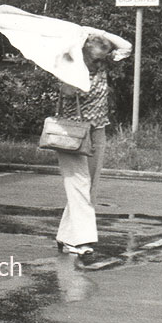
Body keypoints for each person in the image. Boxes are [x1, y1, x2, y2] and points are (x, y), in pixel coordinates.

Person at [54, 28, 132, 255]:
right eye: (98, 58)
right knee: (78, 185)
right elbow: (67, 91)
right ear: (85, 54)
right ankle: (77, 241)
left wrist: (98, 32)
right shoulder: (68, 71)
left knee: (88, 187)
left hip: (97, 132)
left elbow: (126, 47)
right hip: (72, 134)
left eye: (104, 57)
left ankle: (66, 236)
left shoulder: (102, 68)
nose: (102, 62)